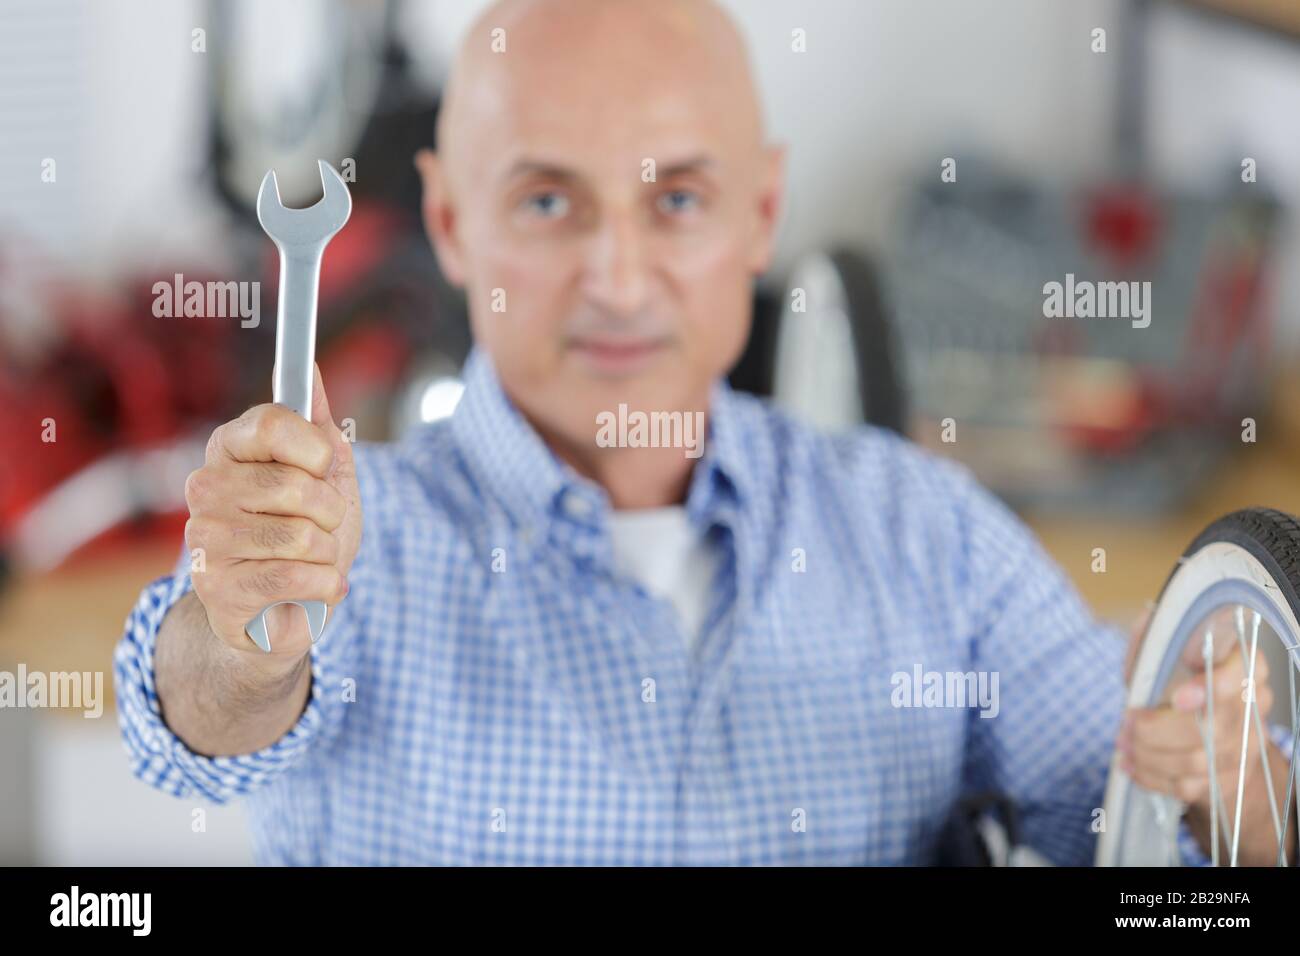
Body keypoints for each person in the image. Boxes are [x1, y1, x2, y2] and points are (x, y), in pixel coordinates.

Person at [114, 0, 1292, 865]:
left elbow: (1131, 824)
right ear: (450, 221)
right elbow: (199, 717)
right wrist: (241, 644)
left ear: (760, 213)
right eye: (546, 200)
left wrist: (1219, 793)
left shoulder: (924, 532)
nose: (618, 277)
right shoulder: (347, 542)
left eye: (675, 199)